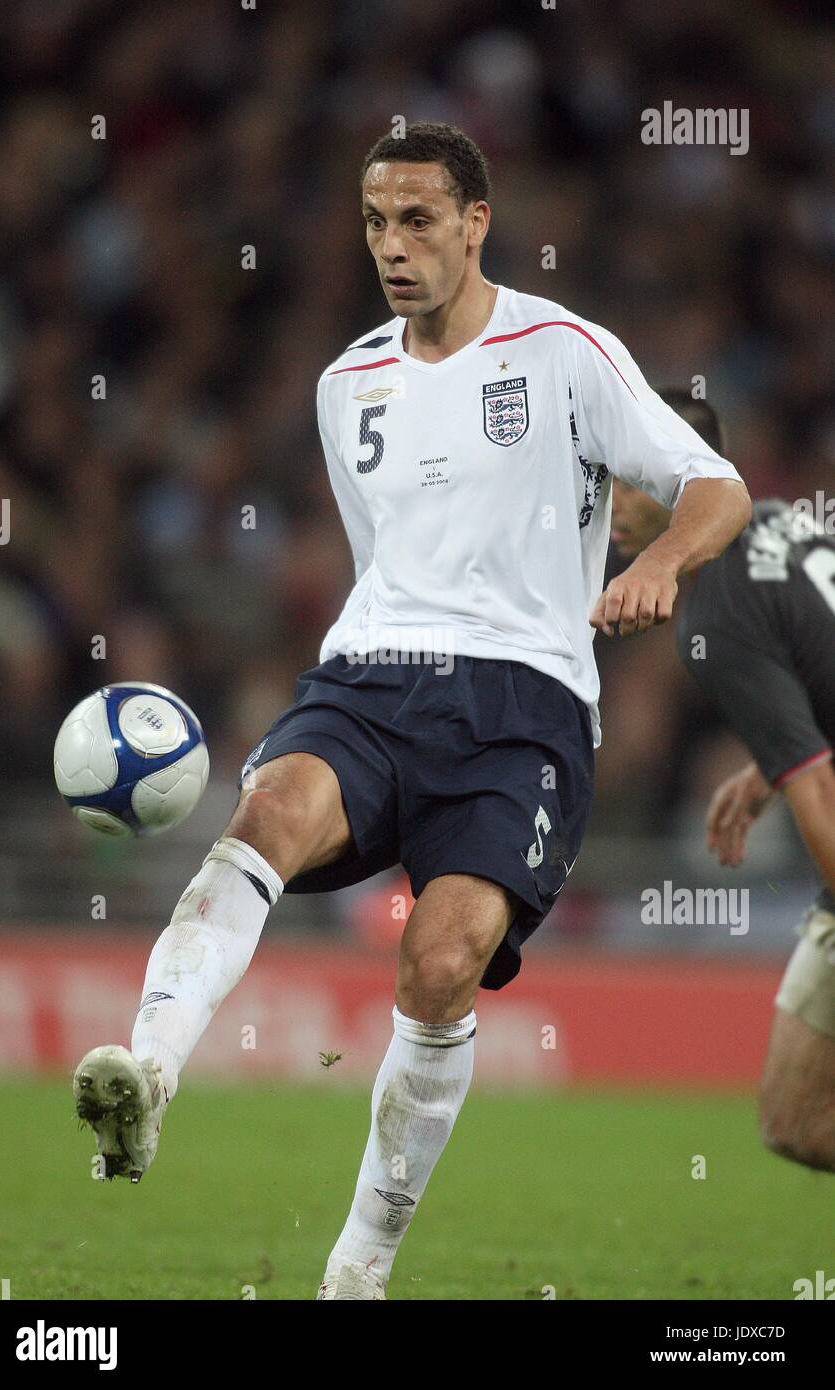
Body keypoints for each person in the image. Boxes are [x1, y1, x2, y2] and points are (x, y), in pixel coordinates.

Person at [74, 123, 750, 1299]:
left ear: (476, 221)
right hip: (374, 673)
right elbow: (384, 557)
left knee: (438, 966)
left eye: (419, 220)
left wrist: (660, 566)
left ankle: (356, 1269)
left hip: (523, 706)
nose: (393, 246)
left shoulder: (565, 351)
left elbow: (715, 484)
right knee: (265, 817)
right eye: (376, 222)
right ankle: (146, 1074)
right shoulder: (347, 384)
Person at [611, 389, 835, 1173]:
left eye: (629, 479)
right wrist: (767, 769)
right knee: (794, 1121)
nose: (610, 498)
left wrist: (792, 771)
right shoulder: (779, 519)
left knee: (798, 1120)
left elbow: (820, 794)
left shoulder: (716, 612)